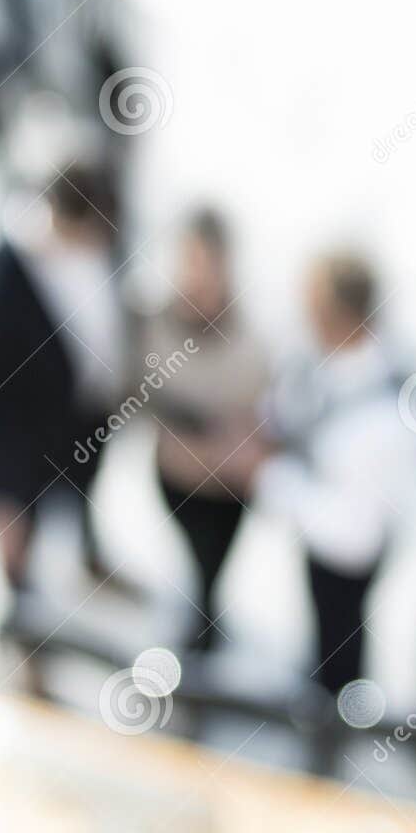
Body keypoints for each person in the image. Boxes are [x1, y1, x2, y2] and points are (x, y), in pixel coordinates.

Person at [232, 252, 416, 695]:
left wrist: (269, 475)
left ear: (342, 316)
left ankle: (337, 708)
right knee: (325, 627)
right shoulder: (325, 362)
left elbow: (355, 534)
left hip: (345, 552)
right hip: (322, 538)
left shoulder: (380, 419)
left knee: (341, 638)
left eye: (313, 309)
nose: (304, 319)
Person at [0, 165, 125, 589]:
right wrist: (0, 487)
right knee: (21, 538)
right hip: (28, 433)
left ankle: (88, 559)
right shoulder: (6, 276)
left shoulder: (98, 253)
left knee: (82, 497)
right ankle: (20, 602)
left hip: (86, 415)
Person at [140, 209, 271, 650]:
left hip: (229, 486)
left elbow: (263, 401)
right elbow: (140, 392)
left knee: (212, 569)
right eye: (190, 258)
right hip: (178, 476)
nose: (197, 272)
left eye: (207, 259)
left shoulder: (251, 330)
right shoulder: (155, 319)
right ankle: (199, 622)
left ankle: (206, 621)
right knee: (193, 564)